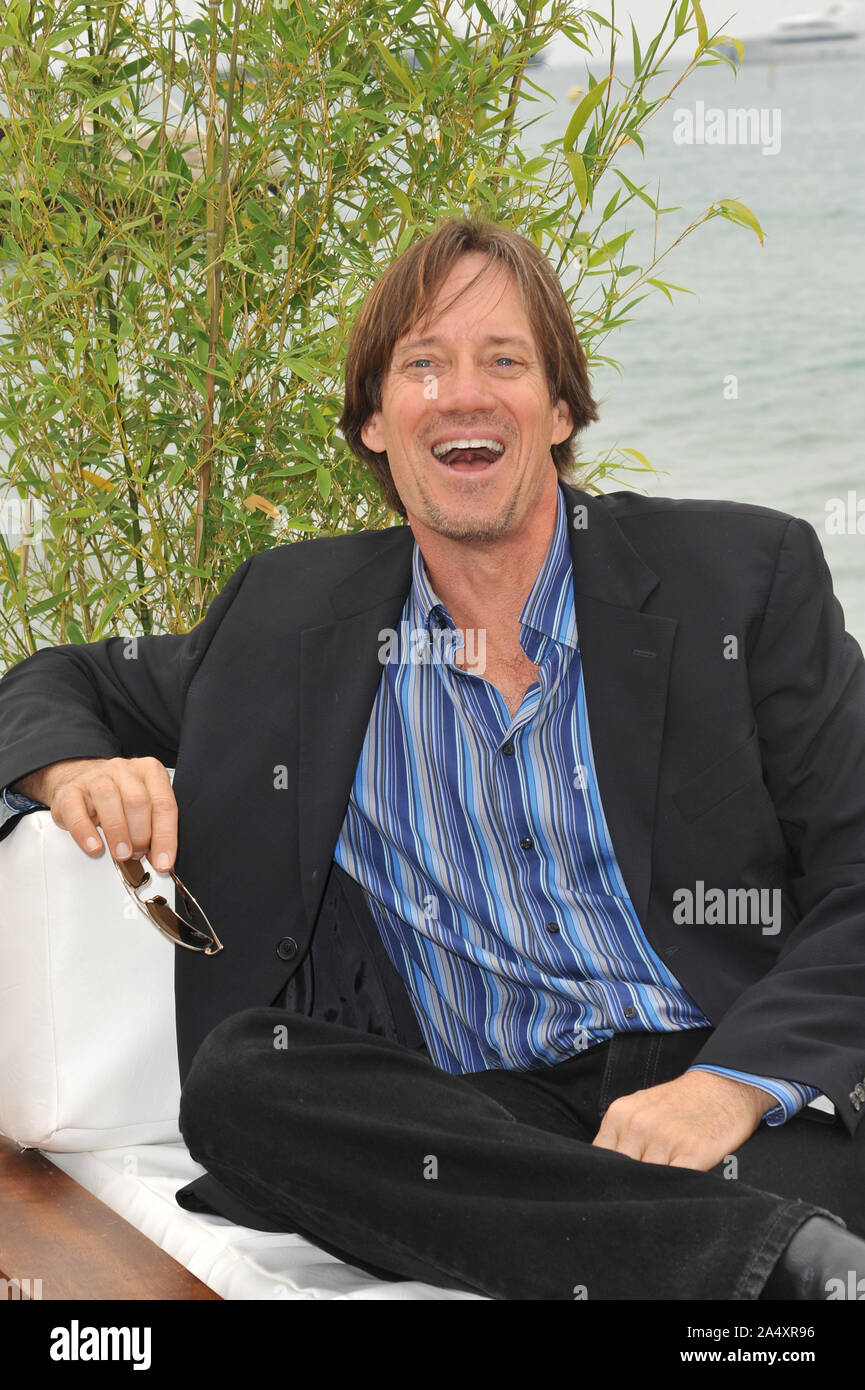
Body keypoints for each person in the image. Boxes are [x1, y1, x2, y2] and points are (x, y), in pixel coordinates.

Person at [1, 217, 864, 1301]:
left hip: (715, 1070)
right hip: (472, 1115)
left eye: (503, 360)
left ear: (559, 409)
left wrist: (727, 1087)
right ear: (374, 421)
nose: (463, 395)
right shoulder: (288, 621)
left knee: (777, 1185)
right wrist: (75, 771)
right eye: (422, 364)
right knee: (242, 1083)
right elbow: (55, 681)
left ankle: (702, 1252)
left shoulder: (739, 577)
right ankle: (767, 1264)